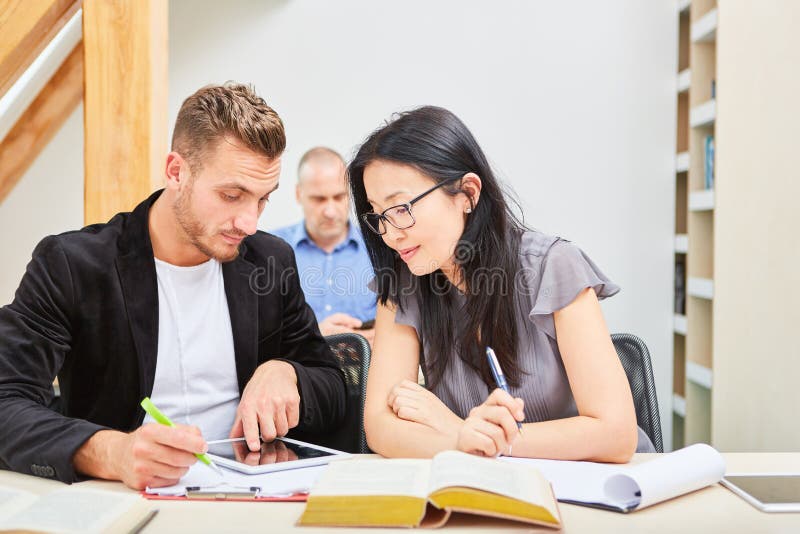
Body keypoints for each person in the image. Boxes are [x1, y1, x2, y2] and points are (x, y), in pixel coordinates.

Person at [0, 83, 346, 489]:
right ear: (176, 171)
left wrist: (286, 372)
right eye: (231, 195)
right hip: (119, 497)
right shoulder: (72, 266)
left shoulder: (270, 262)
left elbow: (333, 387)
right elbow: (6, 400)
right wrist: (111, 452)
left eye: (262, 200)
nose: (249, 223)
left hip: (249, 495)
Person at [349, 106, 655, 461]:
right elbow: (380, 427)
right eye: (378, 216)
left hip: (592, 489)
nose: (389, 235)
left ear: (467, 194)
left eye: (401, 208)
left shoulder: (552, 266)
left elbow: (614, 434)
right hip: (488, 487)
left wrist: (468, 435)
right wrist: (461, 441)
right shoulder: (403, 284)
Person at [272, 147, 376, 344]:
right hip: (300, 368)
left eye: (339, 197)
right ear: (298, 194)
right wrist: (313, 334)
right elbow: (259, 333)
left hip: (368, 368)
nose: (330, 211)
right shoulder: (270, 250)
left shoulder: (379, 247)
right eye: (319, 199)